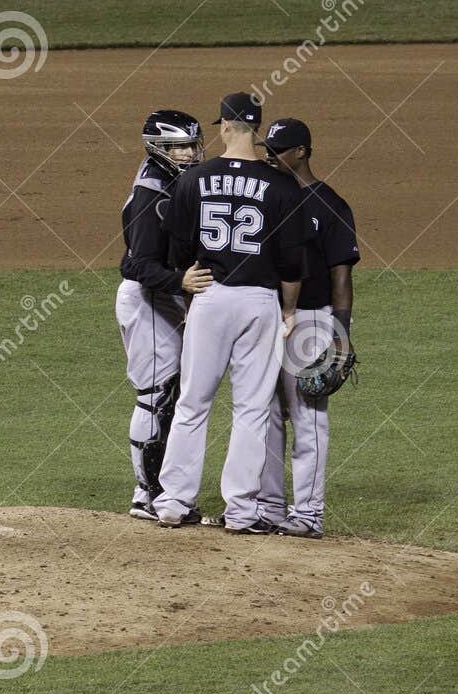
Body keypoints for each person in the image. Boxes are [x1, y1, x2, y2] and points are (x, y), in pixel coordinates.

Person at [153, 92, 309, 533]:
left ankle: (172, 502)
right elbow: (293, 262)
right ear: (258, 130)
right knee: (252, 410)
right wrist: (289, 311)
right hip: (260, 301)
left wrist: (191, 283)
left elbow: (177, 248)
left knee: (192, 403)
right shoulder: (282, 185)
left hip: (210, 297)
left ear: (224, 126)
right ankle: (241, 511)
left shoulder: (192, 179)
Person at [258, 118, 359, 540]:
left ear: (301, 152)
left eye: (277, 150)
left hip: (312, 319)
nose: (269, 157)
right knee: (264, 414)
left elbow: (341, 274)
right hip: (267, 315)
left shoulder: (331, 204)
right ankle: (269, 506)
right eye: (266, 149)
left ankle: (309, 513)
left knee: (308, 417)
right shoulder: (268, 196)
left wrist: (340, 329)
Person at [116, 110, 212, 521]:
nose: (190, 153)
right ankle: (147, 493)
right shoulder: (151, 195)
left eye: (192, 144)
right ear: (159, 148)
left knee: (167, 394)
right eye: (180, 146)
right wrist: (182, 283)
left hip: (164, 298)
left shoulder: (172, 179)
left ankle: (157, 490)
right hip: (147, 300)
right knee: (154, 397)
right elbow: (134, 266)